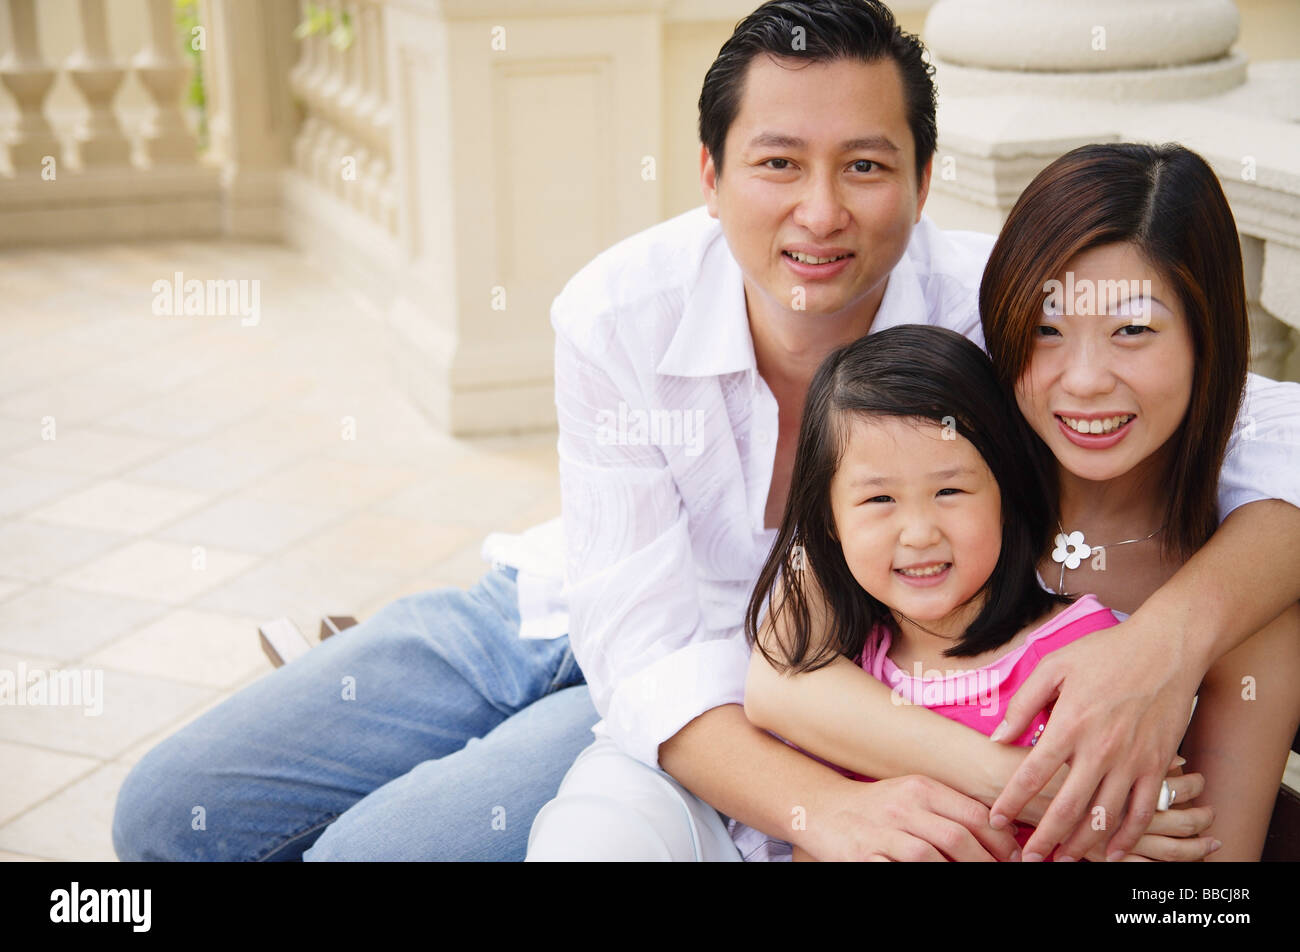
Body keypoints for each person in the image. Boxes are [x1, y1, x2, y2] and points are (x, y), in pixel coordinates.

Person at [112, 0, 1297, 863]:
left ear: (926, 180)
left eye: (867, 165)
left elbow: (1266, 437)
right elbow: (631, 633)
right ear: (710, 173)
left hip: (709, 678)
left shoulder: (1002, 319)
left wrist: (1163, 646)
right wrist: (819, 809)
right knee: (163, 815)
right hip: (567, 606)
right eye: (777, 162)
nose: (820, 212)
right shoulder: (614, 309)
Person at [527, 5, 1300, 861]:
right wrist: (1018, 778)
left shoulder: (1236, 579)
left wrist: (1162, 647)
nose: (1082, 378)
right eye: (1048, 330)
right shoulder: (970, 460)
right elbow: (776, 678)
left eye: (1135, 331)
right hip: (637, 668)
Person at [741, 324, 1203, 862]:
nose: (919, 532)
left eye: (949, 491)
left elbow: (1147, 840)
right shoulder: (850, 669)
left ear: (1006, 492)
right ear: (829, 521)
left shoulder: (1089, 663)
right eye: (879, 500)